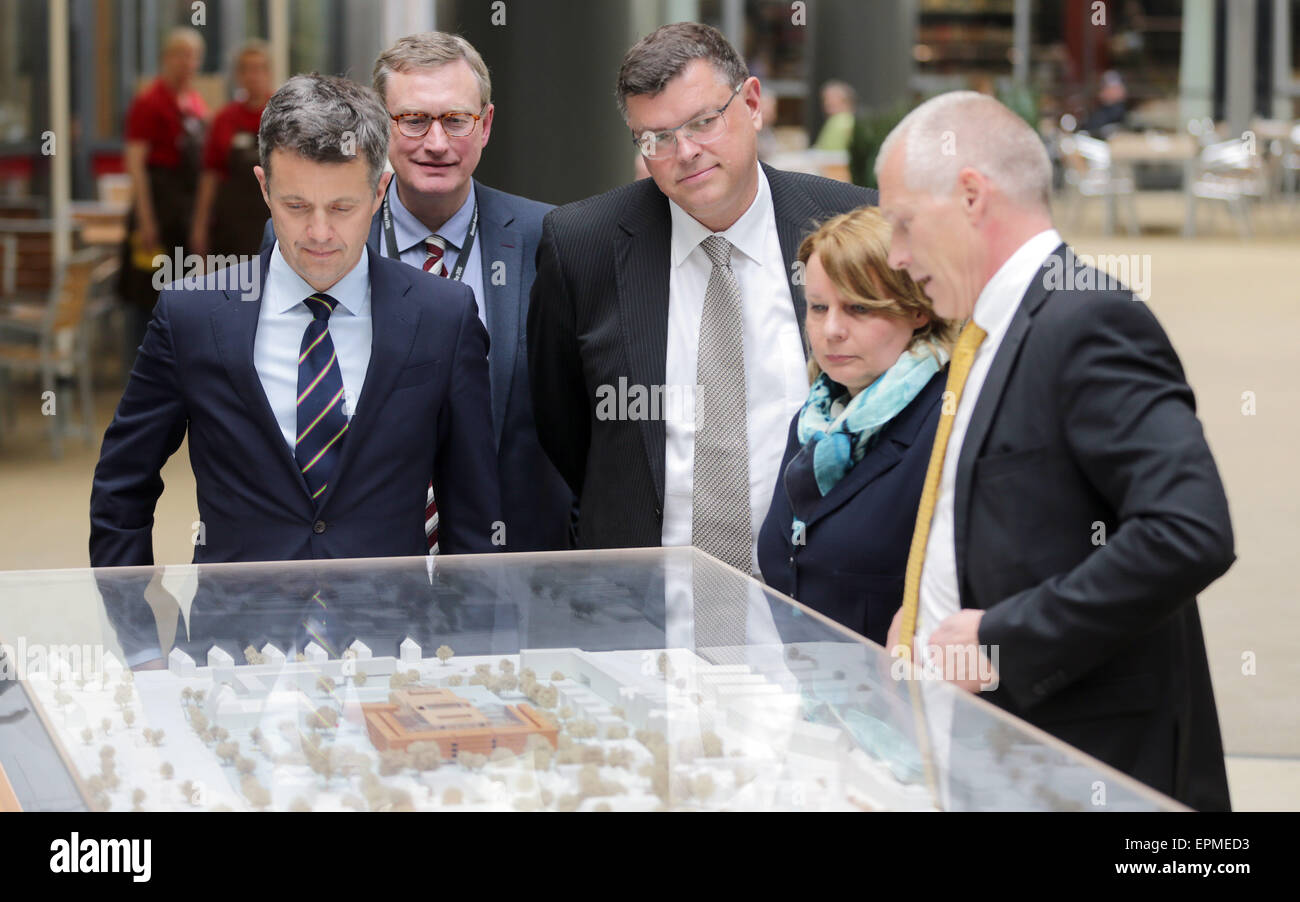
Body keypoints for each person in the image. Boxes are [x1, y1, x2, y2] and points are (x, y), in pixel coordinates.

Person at [875, 91, 1233, 810]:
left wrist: (1004, 638)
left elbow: (1189, 530)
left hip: (1082, 766)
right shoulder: (987, 329)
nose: (897, 255)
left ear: (972, 195)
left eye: (904, 224)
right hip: (993, 755)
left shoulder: (1086, 321)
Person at [90, 74, 501, 566]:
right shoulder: (191, 316)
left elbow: (474, 515)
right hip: (233, 636)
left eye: (342, 207)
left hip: (394, 635)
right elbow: (121, 488)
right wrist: (139, 636)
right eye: (296, 206)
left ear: (380, 191)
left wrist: (465, 637)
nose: (320, 233)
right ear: (264, 188)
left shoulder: (444, 316)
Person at [527, 22, 874, 573]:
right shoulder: (581, 245)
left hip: (818, 600)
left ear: (753, 103)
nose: (685, 152)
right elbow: (562, 426)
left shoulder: (853, 224)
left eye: (704, 122)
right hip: (638, 607)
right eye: (657, 137)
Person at [260, 32, 571, 553]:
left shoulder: (551, 240)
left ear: (486, 124)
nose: (436, 143)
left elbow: (576, 420)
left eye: (455, 120)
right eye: (413, 120)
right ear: (381, 128)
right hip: (363, 569)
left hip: (514, 568)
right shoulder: (312, 237)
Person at [757, 207, 956, 646]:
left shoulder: (950, 424)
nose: (831, 330)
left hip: (906, 703)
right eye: (818, 307)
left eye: (859, 308)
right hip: (810, 699)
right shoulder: (816, 419)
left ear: (919, 310)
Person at [118, 26, 209, 371]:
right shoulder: (148, 103)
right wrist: (146, 220)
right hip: (154, 214)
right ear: (166, 59)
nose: (186, 63)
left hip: (183, 220)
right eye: (180, 55)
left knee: (180, 296)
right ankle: (138, 371)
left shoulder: (196, 105)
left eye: (192, 57)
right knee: (146, 296)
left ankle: (174, 371)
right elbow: (136, 167)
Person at [191, 40, 275, 260]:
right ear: (238, 75)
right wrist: (200, 225)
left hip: (271, 218)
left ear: (268, 73)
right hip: (231, 223)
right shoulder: (224, 119)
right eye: (246, 69)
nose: (252, 75)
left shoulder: (283, 116)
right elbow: (210, 176)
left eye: (258, 68)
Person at [812, 80, 855, 152]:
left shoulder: (843, 121)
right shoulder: (836, 119)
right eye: (824, 99)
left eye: (830, 98)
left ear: (844, 100)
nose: (826, 102)